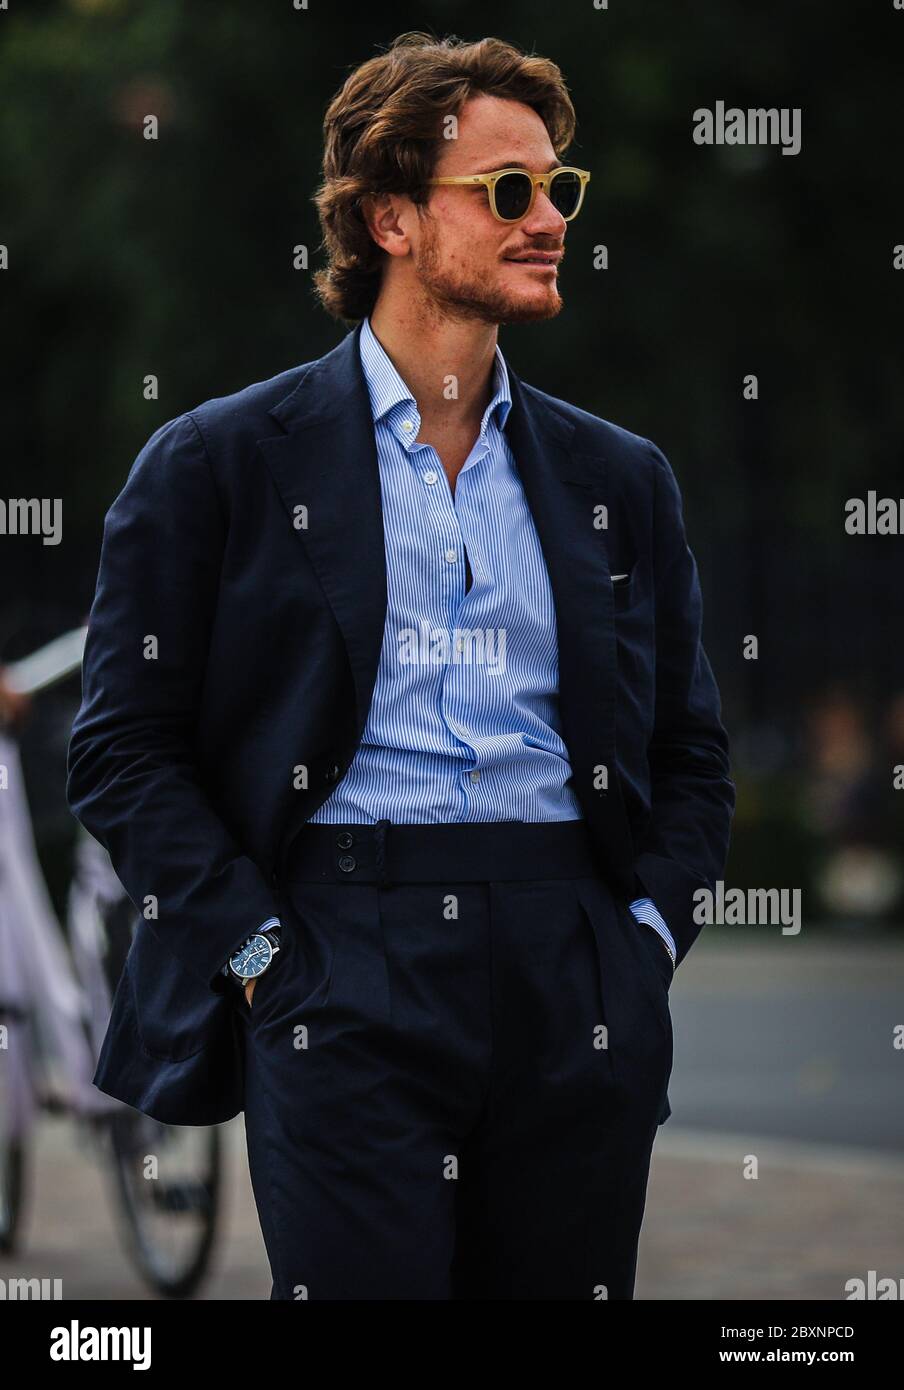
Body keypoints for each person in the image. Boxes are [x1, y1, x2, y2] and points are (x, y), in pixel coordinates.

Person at [66, 32, 735, 1300]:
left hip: (571, 960)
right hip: (336, 953)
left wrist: (641, 938)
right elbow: (119, 751)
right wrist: (262, 959)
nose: (548, 219)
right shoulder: (218, 464)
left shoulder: (617, 479)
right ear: (388, 218)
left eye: (558, 189)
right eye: (506, 191)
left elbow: (688, 749)